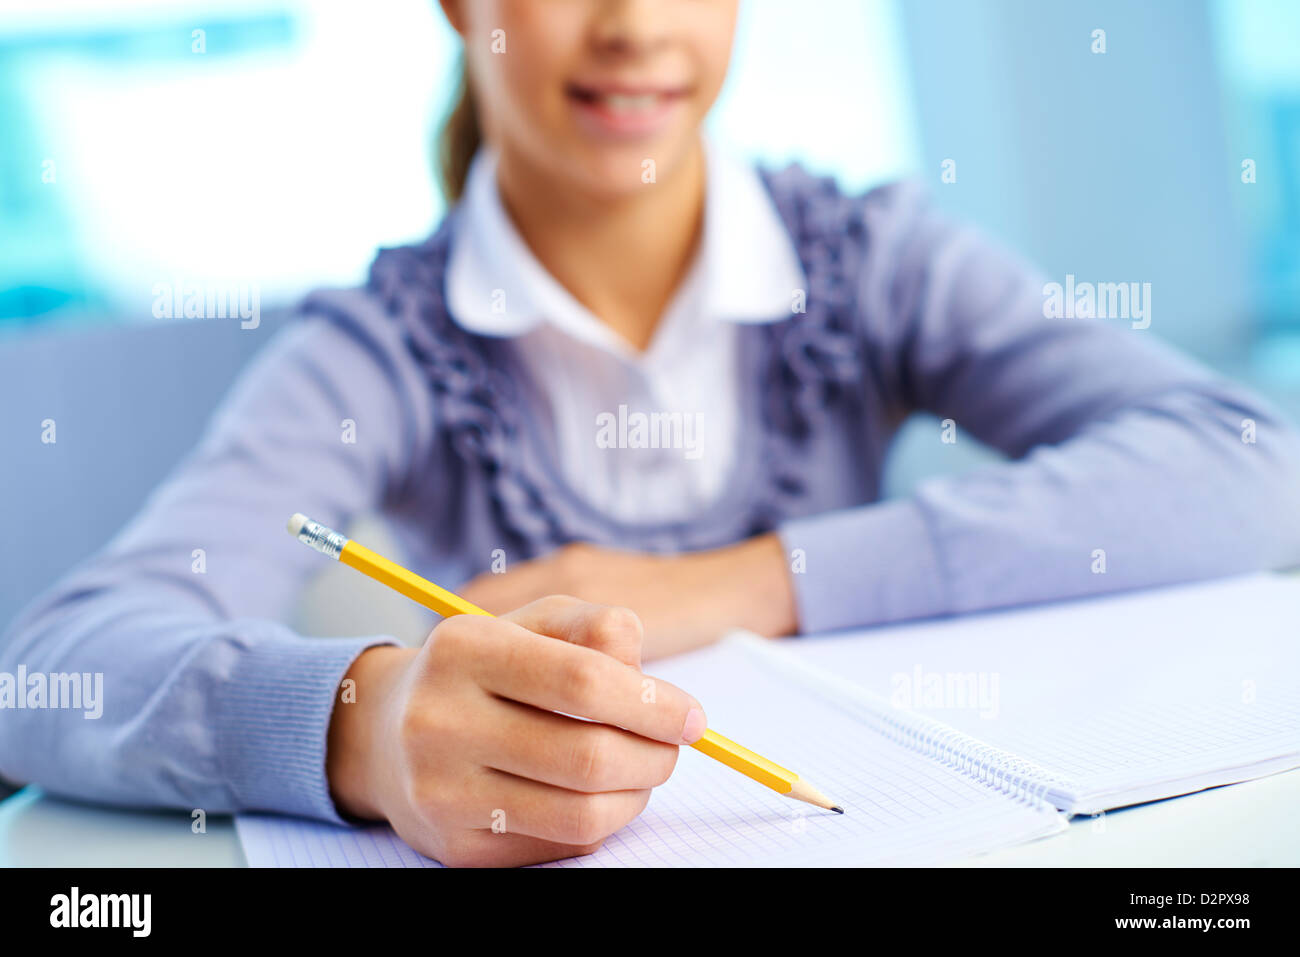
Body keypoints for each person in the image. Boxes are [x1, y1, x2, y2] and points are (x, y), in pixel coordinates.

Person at [3, 0, 1299, 867]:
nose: (633, 25)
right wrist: (363, 721)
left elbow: (1257, 462)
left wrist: (730, 586)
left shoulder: (876, 260)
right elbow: (50, 670)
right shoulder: (379, 347)